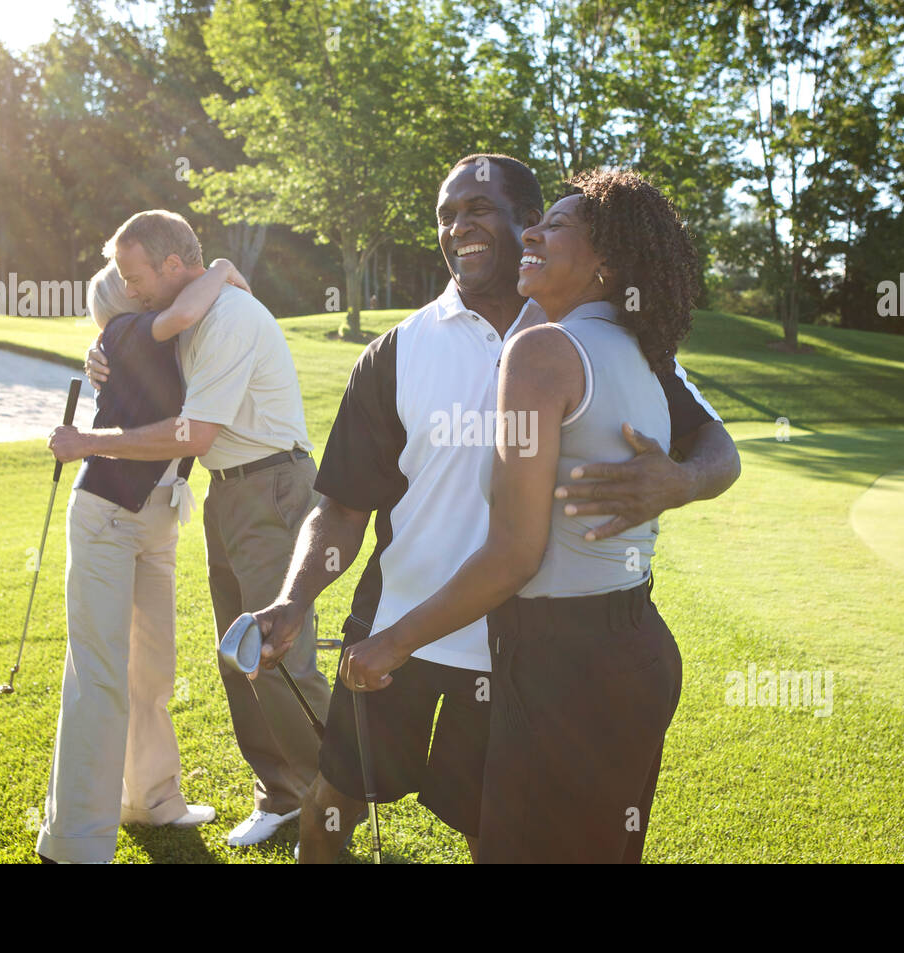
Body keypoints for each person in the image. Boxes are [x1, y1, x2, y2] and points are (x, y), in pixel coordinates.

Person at [251, 156, 739, 863]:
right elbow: (341, 506)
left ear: (529, 221)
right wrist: (295, 598)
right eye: (446, 215)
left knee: (496, 831)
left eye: (477, 208)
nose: (457, 227)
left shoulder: (602, 336)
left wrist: (680, 482)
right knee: (331, 808)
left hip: (513, 654)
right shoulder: (396, 351)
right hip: (397, 631)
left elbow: (717, 446)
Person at [54, 210, 328, 848]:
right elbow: (144, 340)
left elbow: (193, 433)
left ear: (174, 267)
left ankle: (335, 792)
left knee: (280, 655)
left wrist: (89, 439)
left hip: (270, 486)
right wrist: (104, 349)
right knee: (240, 658)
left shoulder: (227, 316)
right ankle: (283, 795)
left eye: (135, 275)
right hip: (225, 493)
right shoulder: (185, 316)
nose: (129, 287)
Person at [36, 256, 247, 863]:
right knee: (100, 676)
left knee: (152, 671)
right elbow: (184, 306)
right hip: (107, 514)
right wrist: (224, 266)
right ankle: (74, 839)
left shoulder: (163, 345)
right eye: (131, 286)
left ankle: (152, 800)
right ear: (123, 303)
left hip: (157, 521)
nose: (143, 289)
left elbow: (212, 313)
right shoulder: (127, 333)